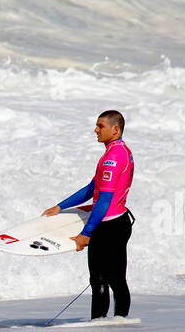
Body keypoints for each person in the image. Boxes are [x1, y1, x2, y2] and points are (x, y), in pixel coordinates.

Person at [42, 111, 135, 319]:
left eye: (100, 126)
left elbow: (103, 200)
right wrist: (60, 206)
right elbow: (92, 188)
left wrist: (87, 233)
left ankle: (99, 326)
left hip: (108, 225)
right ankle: (120, 325)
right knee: (117, 279)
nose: (96, 130)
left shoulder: (113, 157)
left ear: (115, 129)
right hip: (120, 221)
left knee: (101, 280)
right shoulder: (121, 151)